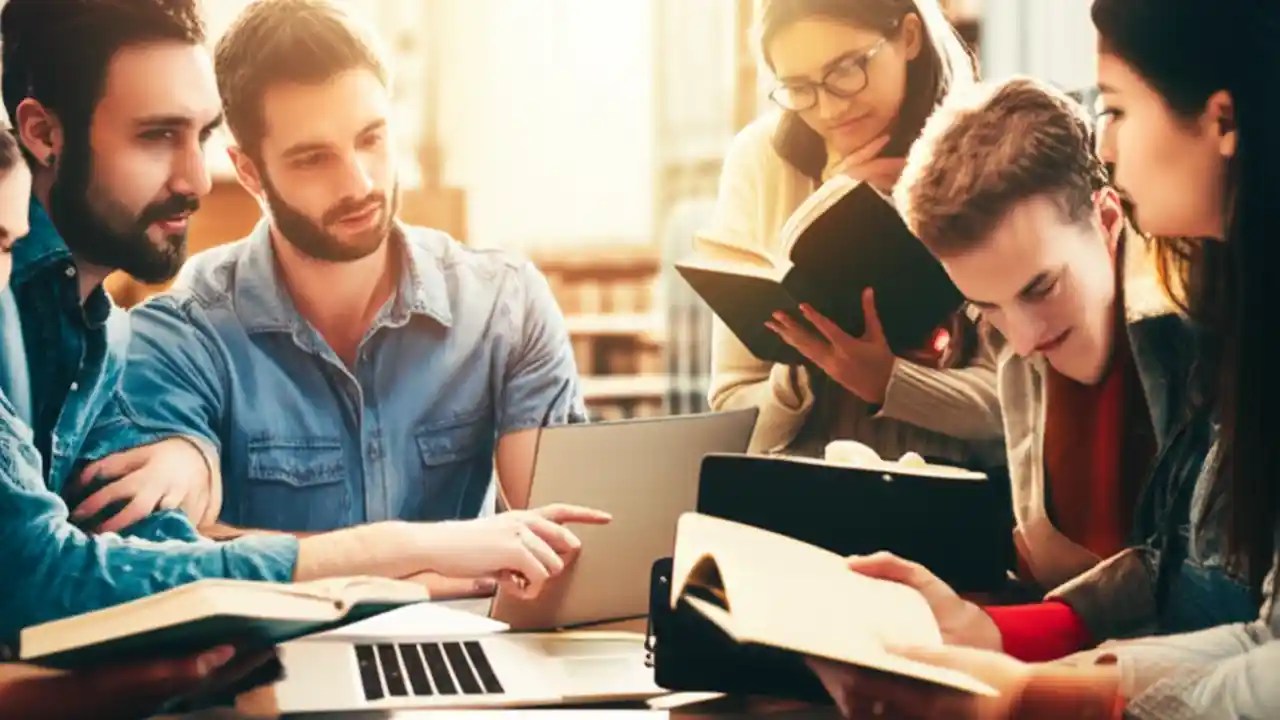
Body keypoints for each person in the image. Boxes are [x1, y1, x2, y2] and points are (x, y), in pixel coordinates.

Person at [0, 0, 607, 645]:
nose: (197, 181)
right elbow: (48, 578)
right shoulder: (164, 328)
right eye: (157, 136)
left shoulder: (99, 334)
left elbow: (143, 559)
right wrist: (401, 560)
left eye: (199, 136)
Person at [807, 0, 1280, 716]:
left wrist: (1031, 694)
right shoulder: (1031, 357)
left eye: (1116, 108)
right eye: (988, 310)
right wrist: (1000, 643)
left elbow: (1227, 625)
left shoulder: (1203, 336)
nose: (1022, 338)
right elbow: (1239, 624)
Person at [706, 0, 1003, 468]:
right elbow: (732, 413)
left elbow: (1018, 411)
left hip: (952, 492)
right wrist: (806, 367)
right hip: (798, 487)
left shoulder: (989, 157)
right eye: (798, 87)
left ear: (909, 37)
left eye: (846, 70)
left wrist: (888, 382)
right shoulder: (760, 160)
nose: (828, 107)